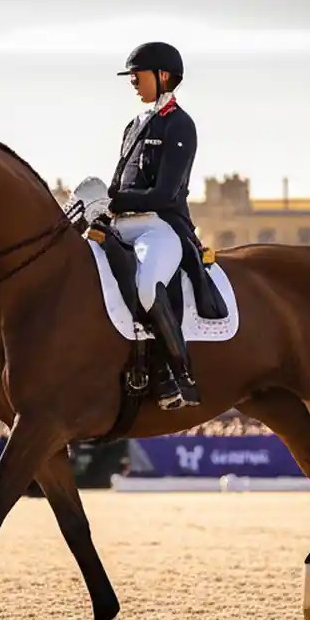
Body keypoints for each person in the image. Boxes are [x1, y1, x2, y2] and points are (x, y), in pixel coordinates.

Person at [72, 41, 200, 410]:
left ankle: (178, 373)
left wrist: (113, 201)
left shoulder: (180, 124)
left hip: (160, 227)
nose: (132, 81)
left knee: (147, 285)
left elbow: (163, 193)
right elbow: (118, 183)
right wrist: (98, 203)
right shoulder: (135, 124)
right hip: (123, 225)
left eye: (137, 74)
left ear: (163, 76)